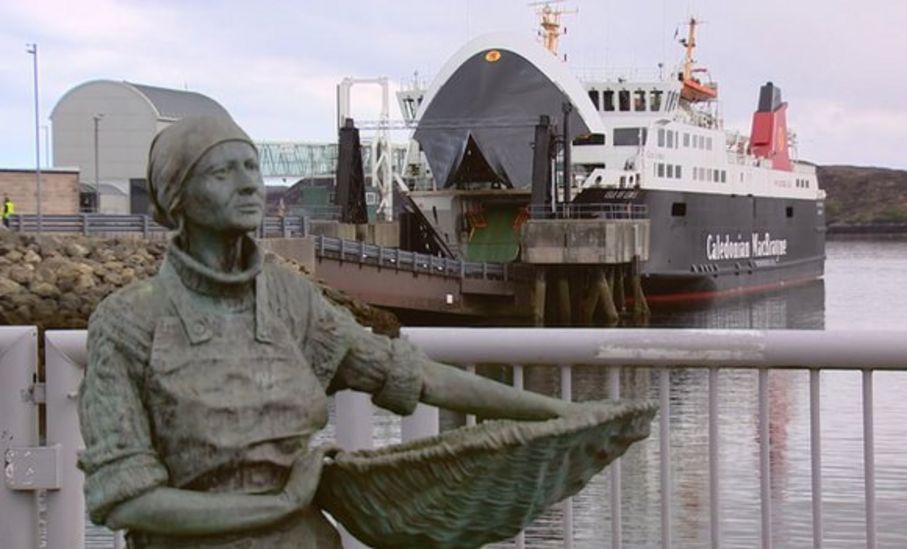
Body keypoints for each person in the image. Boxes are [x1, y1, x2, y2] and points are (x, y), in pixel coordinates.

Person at [78, 116, 576, 548]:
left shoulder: (291, 301)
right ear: (176, 196)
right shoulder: (128, 323)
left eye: (251, 166)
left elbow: (413, 376)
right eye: (221, 172)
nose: (249, 184)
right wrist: (283, 504)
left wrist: (563, 414)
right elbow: (129, 499)